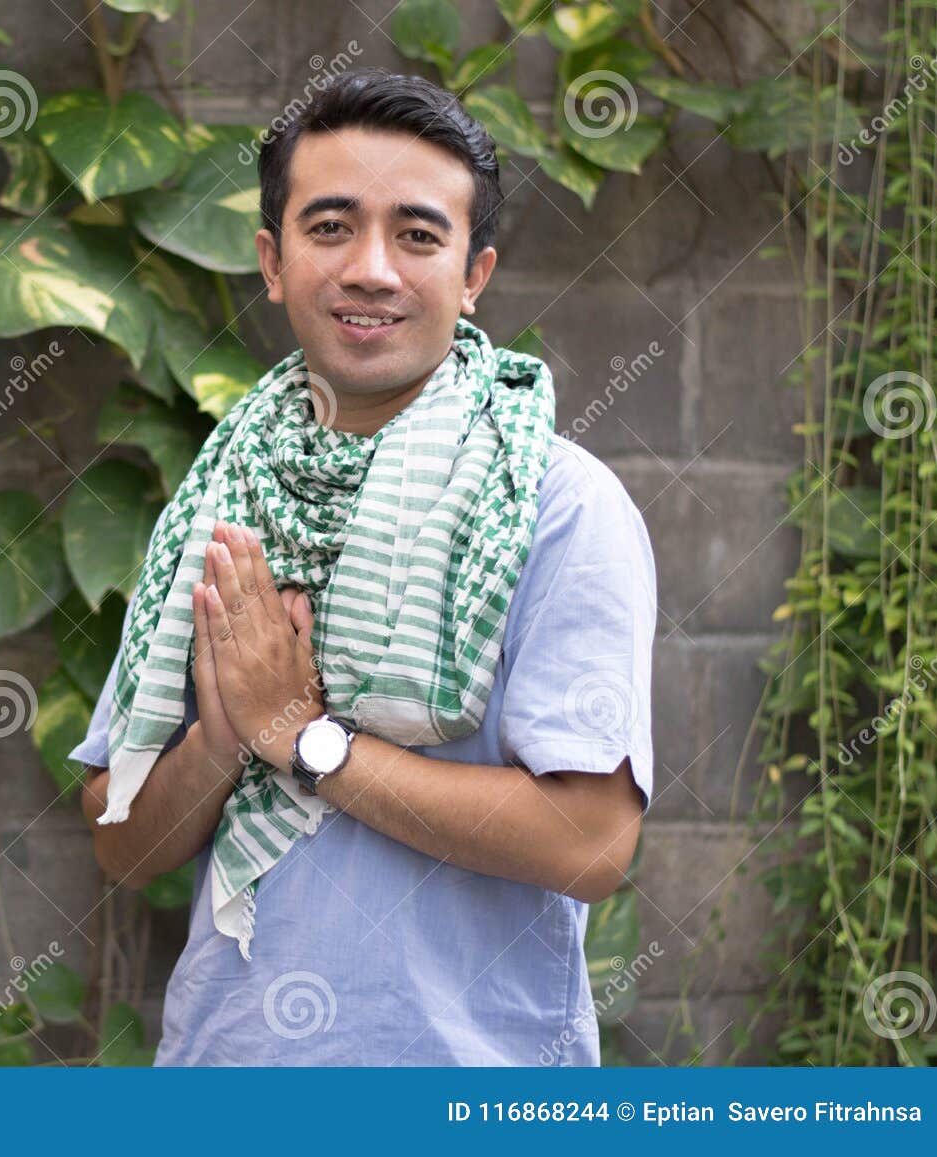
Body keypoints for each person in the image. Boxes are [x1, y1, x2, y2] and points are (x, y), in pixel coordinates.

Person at [68, 68, 656, 1065]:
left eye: (418, 235)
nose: (371, 269)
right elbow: (122, 843)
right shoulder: (223, 500)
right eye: (331, 227)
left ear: (472, 274)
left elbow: (589, 840)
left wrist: (306, 740)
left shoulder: (555, 504)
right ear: (272, 259)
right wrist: (223, 740)